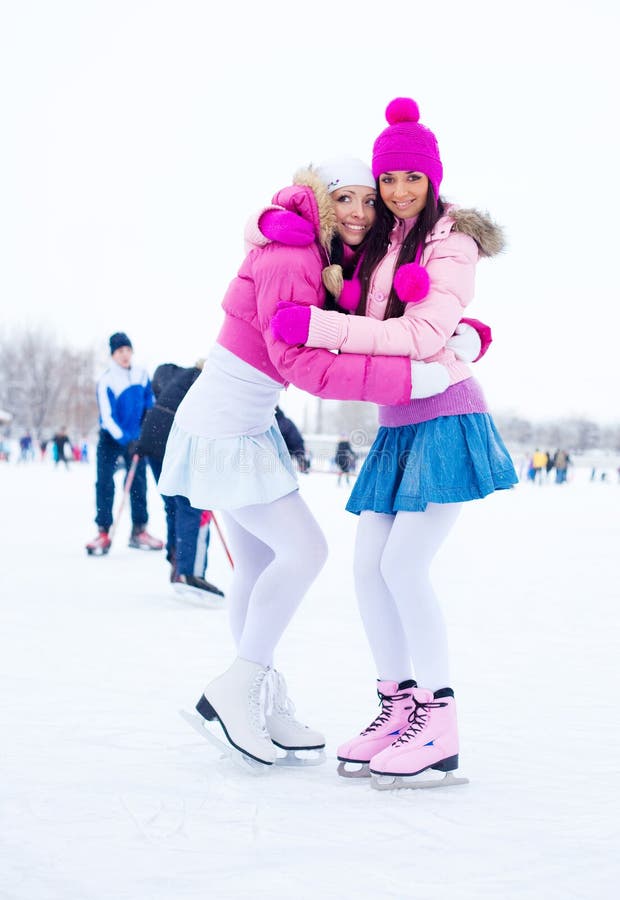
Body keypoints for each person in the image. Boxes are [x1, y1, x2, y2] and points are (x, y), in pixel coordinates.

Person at [157, 157, 462, 770]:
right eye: (343, 198)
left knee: (260, 562)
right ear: (320, 202)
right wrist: (411, 379)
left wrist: (464, 328)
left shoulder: (307, 249)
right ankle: (236, 688)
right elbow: (302, 364)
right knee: (305, 552)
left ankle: (258, 697)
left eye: (367, 201)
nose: (357, 211)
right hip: (225, 429)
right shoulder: (290, 253)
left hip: (241, 425)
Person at [271, 97, 518, 787]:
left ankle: (439, 722)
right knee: (367, 568)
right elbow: (368, 313)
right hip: (397, 421)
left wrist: (319, 328)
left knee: (405, 567)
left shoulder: (451, 241)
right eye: (389, 180)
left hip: (446, 416)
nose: (399, 191)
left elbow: (420, 336)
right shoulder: (383, 245)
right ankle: (397, 704)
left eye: (412, 178)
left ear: (432, 178)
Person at [136, 360, 224, 603]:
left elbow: (158, 383)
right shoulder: (209, 380)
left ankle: (177, 564)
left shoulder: (180, 376)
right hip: (172, 439)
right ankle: (188, 572)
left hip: (152, 438)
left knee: (173, 505)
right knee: (190, 503)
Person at [85, 332, 164, 556]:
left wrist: (143, 432)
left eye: (128, 350)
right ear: (113, 355)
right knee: (105, 482)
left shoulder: (141, 374)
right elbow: (107, 417)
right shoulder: (107, 379)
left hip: (137, 438)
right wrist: (125, 438)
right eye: (120, 351)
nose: (125, 355)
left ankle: (139, 530)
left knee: (139, 482)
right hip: (112, 438)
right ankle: (103, 531)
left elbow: (150, 403)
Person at [274, 406, 310, 473]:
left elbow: (296, 443)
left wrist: (301, 460)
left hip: (280, 467)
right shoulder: (254, 422)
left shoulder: (286, 424)